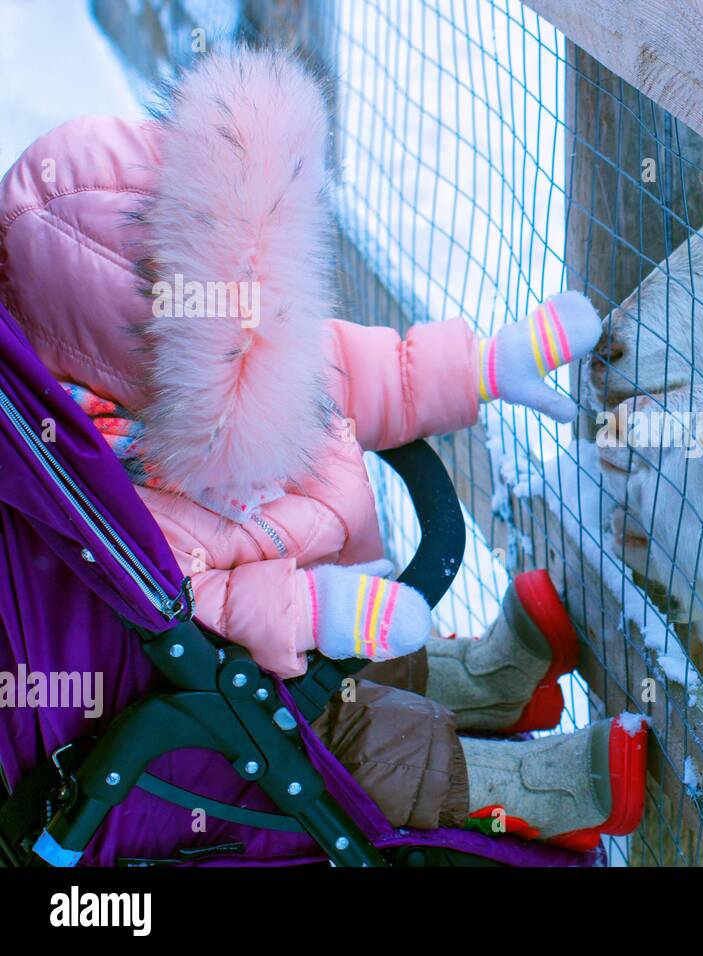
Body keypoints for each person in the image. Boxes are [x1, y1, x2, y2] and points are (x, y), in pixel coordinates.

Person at [0, 46, 644, 851]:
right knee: (350, 736)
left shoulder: (236, 340)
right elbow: (191, 595)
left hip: (313, 622)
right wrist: (314, 610)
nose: (273, 339)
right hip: (236, 671)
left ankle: (478, 685)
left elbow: (354, 366)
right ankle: (528, 790)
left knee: (353, 677)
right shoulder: (100, 474)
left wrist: (479, 368)